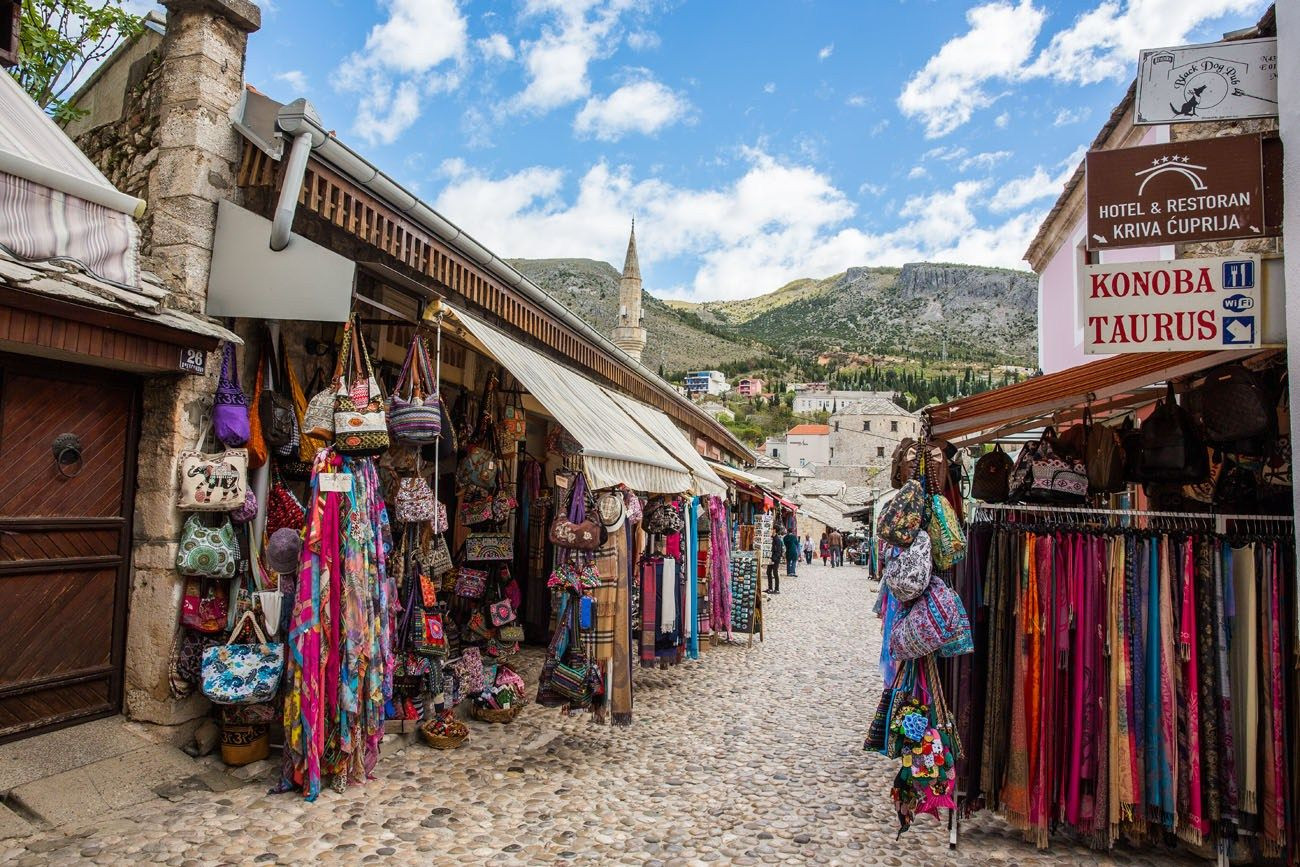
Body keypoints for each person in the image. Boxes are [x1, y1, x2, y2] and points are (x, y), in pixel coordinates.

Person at [766, 527, 783, 593]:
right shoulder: (771, 538)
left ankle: (777, 589)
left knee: (775, 573)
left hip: (775, 559)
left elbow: (779, 552)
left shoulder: (778, 540)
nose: (770, 530)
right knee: (768, 572)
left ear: (775, 530)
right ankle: (770, 588)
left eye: (772, 529)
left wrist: (773, 559)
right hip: (770, 558)